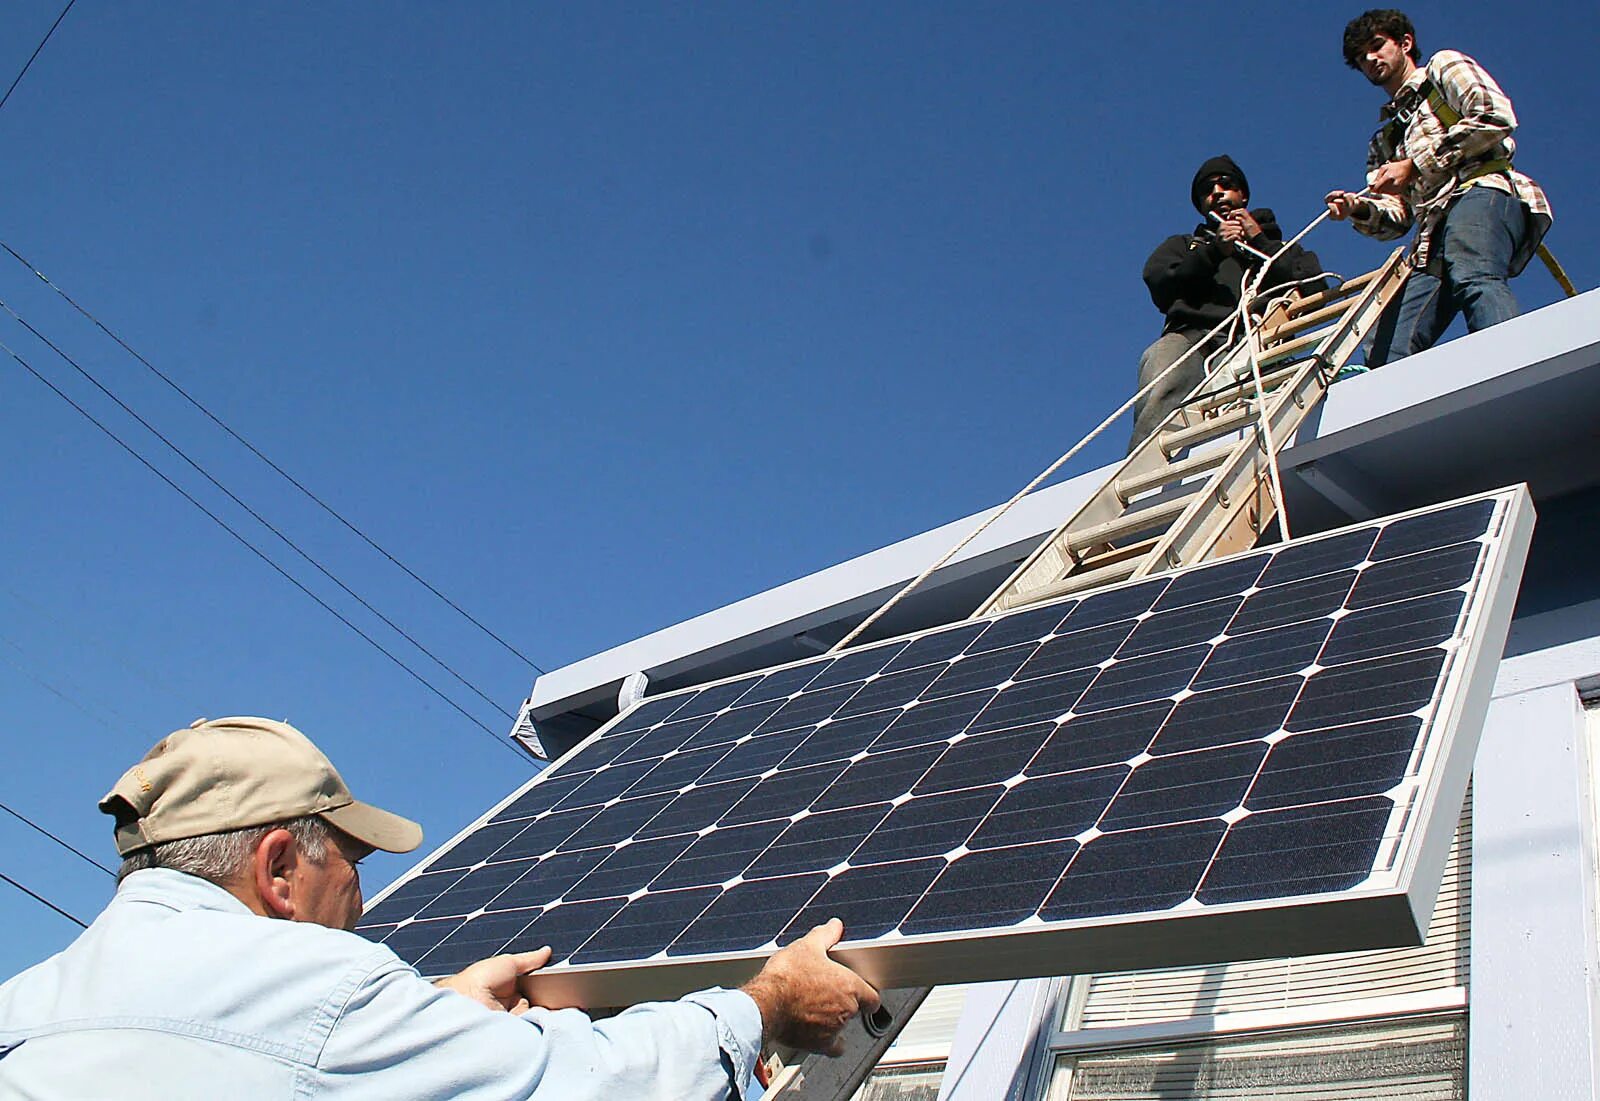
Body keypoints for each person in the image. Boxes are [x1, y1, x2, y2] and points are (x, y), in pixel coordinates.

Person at [0, 716, 880, 1098]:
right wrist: (765, 1006)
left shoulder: (28, 1005)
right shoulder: (316, 989)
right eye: (347, 859)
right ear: (277, 866)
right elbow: (594, 1084)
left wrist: (438, 1019)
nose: (359, 892)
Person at [1325, 9, 1552, 366]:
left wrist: (1414, 165)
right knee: (1388, 340)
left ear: (1405, 43)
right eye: (1360, 57)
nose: (1370, 59)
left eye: (1376, 46)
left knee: (1474, 274)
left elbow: (1495, 116)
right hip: (1431, 231)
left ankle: (1513, 369)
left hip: (1481, 190)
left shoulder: (1443, 68)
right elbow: (1399, 216)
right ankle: (1390, 416)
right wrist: (1358, 208)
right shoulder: (1384, 139)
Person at [1132, 155, 1327, 452]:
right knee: (1163, 364)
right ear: (1201, 204)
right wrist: (1213, 252)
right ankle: (1144, 462)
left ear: (1243, 195)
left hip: (1259, 344)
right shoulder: (1185, 246)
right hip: (1194, 341)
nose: (1218, 192)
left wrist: (1260, 240)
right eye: (1208, 190)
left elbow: (1315, 289)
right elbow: (1160, 284)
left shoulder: (1284, 249)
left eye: (1227, 185)